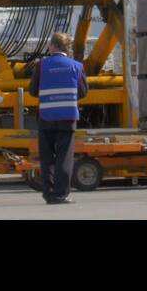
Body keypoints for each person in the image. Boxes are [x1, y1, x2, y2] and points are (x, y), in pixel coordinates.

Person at [28, 32, 89, 205]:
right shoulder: (77, 66)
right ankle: (61, 195)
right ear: (66, 48)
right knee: (64, 157)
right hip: (67, 118)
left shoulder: (41, 66)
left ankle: (48, 194)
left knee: (47, 158)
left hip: (46, 117)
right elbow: (84, 91)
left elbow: (32, 91)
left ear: (53, 46)